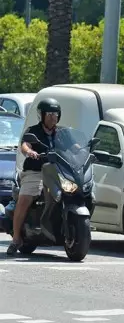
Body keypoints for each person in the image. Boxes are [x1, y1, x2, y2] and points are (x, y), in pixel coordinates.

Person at [6, 98, 63, 255]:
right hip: (36, 172)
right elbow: (25, 145)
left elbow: (75, 147)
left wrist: (85, 150)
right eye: (50, 114)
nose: (53, 117)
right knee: (25, 198)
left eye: (56, 114)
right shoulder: (33, 131)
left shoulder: (62, 133)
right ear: (42, 115)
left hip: (58, 173)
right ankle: (16, 238)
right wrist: (29, 152)